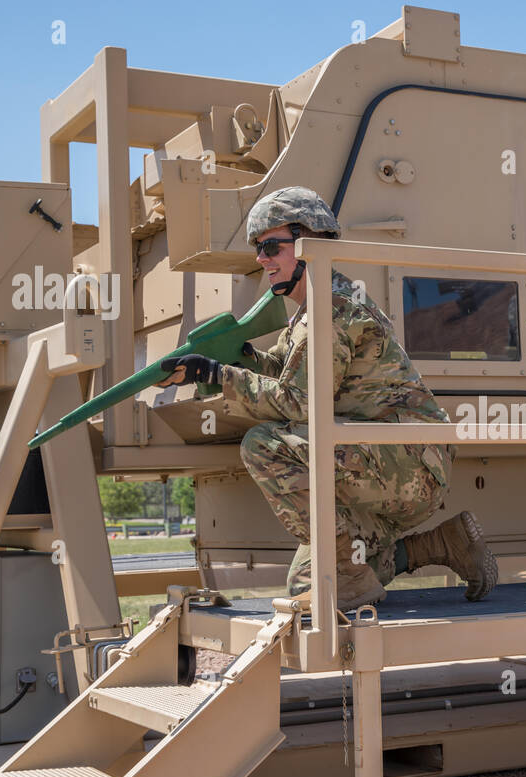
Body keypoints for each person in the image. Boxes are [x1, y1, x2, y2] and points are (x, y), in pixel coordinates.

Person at [156, 186, 497, 608]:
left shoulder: (333, 307)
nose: (261, 259)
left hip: (408, 460)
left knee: (264, 444)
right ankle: (444, 543)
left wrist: (218, 375)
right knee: (309, 581)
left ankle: (350, 578)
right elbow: (283, 373)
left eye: (270, 247)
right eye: (259, 249)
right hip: (386, 463)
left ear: (308, 245)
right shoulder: (311, 310)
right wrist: (233, 361)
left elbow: (298, 401)